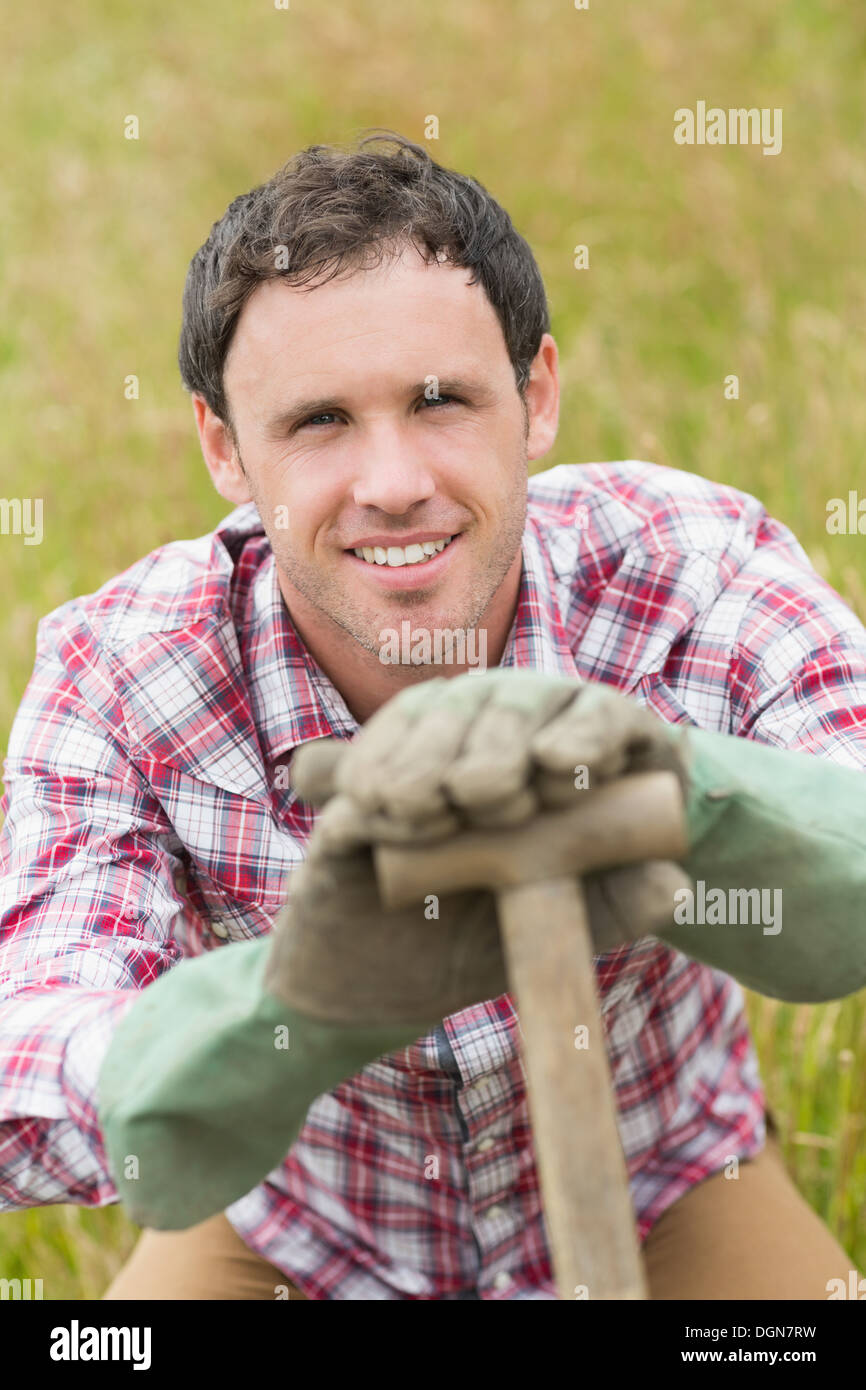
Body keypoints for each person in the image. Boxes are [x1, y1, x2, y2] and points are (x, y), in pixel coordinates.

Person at [1, 132, 864, 1301]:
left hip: (664, 1185)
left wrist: (690, 797)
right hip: (291, 1231)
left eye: (439, 399)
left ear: (536, 394)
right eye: (318, 421)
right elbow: (28, 1045)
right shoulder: (125, 668)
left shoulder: (687, 566)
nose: (393, 479)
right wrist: (281, 1012)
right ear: (223, 447)